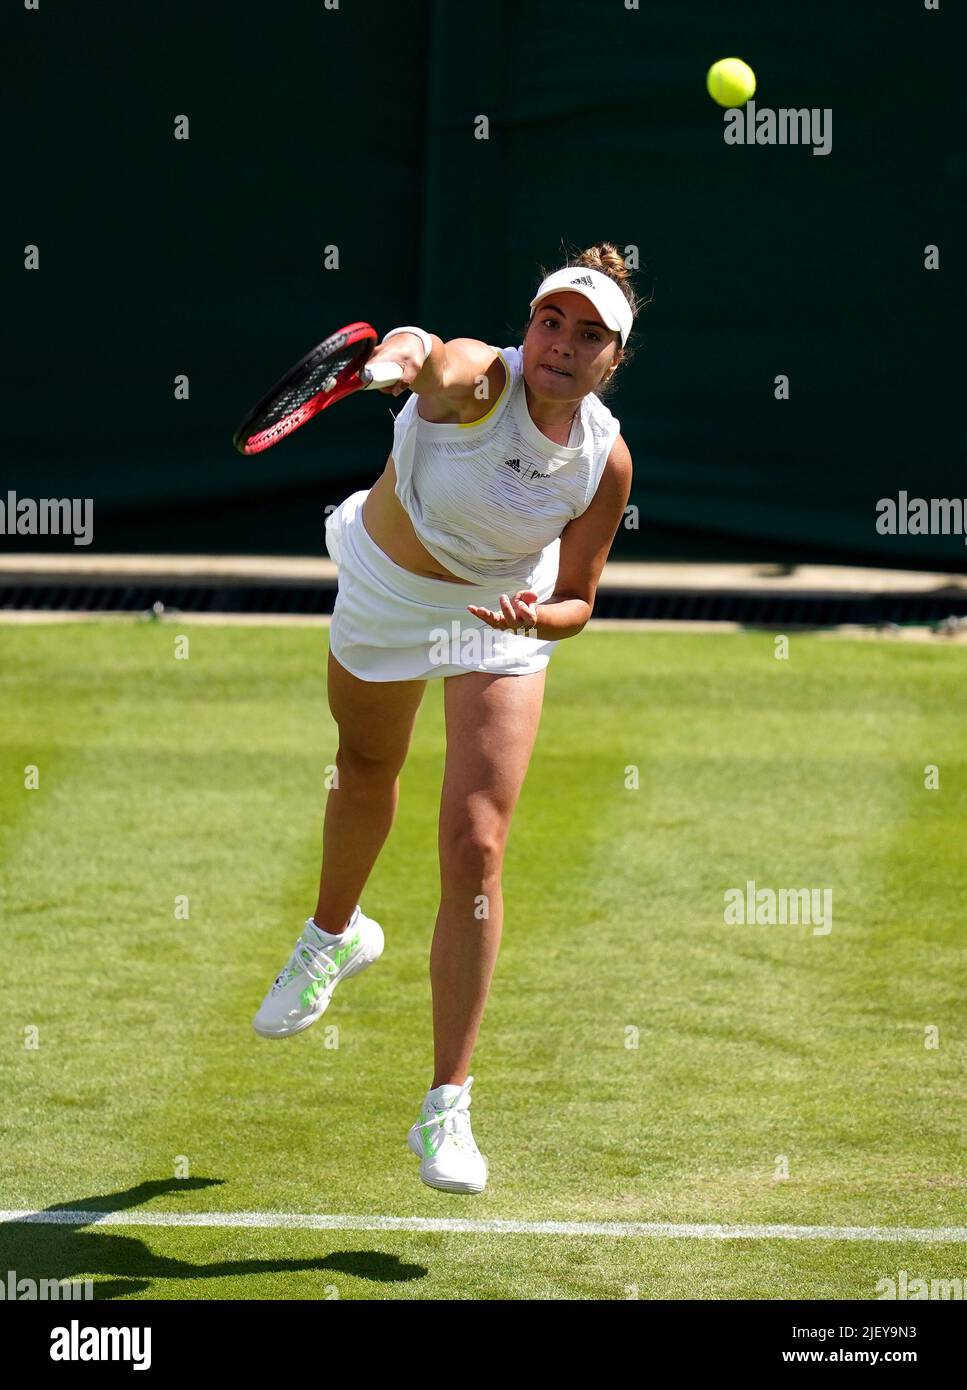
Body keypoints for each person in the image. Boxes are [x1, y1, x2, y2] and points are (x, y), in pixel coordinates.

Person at [253, 241, 640, 1194]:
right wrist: (390, 364)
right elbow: (428, 356)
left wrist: (534, 616)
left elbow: (580, 598)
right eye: (551, 319)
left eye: (588, 335)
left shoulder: (604, 460)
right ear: (530, 326)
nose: (560, 342)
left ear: (611, 362)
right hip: (387, 593)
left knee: (476, 846)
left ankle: (446, 1108)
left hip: (497, 620)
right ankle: (331, 938)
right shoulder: (477, 381)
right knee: (365, 772)